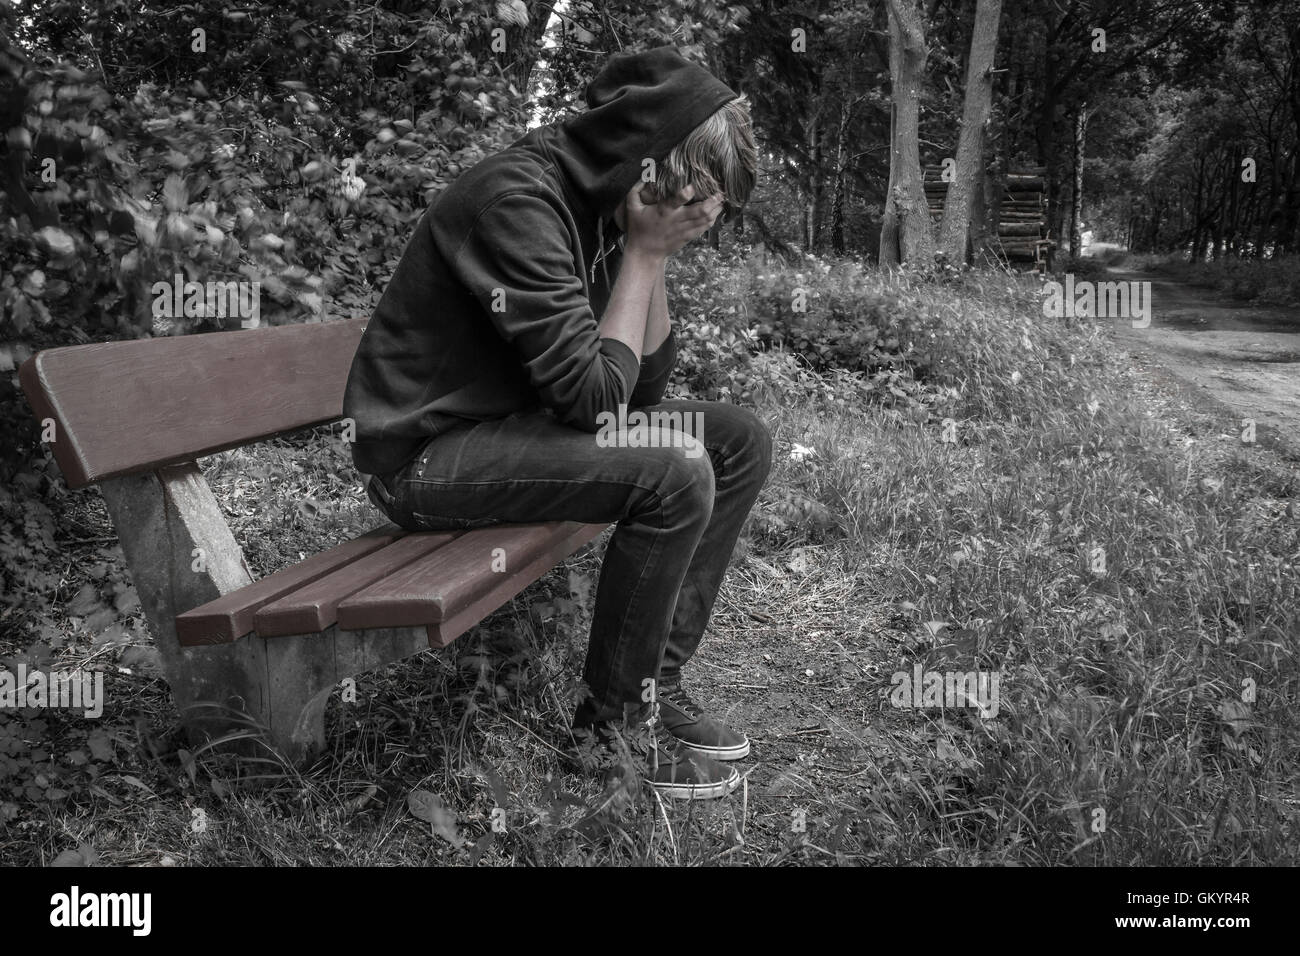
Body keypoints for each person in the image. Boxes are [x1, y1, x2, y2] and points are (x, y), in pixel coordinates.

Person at [343, 46, 770, 799]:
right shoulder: (517, 203)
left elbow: (641, 391)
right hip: (426, 461)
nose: (700, 214)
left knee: (734, 441)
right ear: (649, 166)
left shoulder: (601, 199)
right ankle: (610, 744)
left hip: (515, 433)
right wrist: (642, 252)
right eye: (694, 194)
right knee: (674, 471)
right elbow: (599, 406)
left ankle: (654, 690)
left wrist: (652, 257)